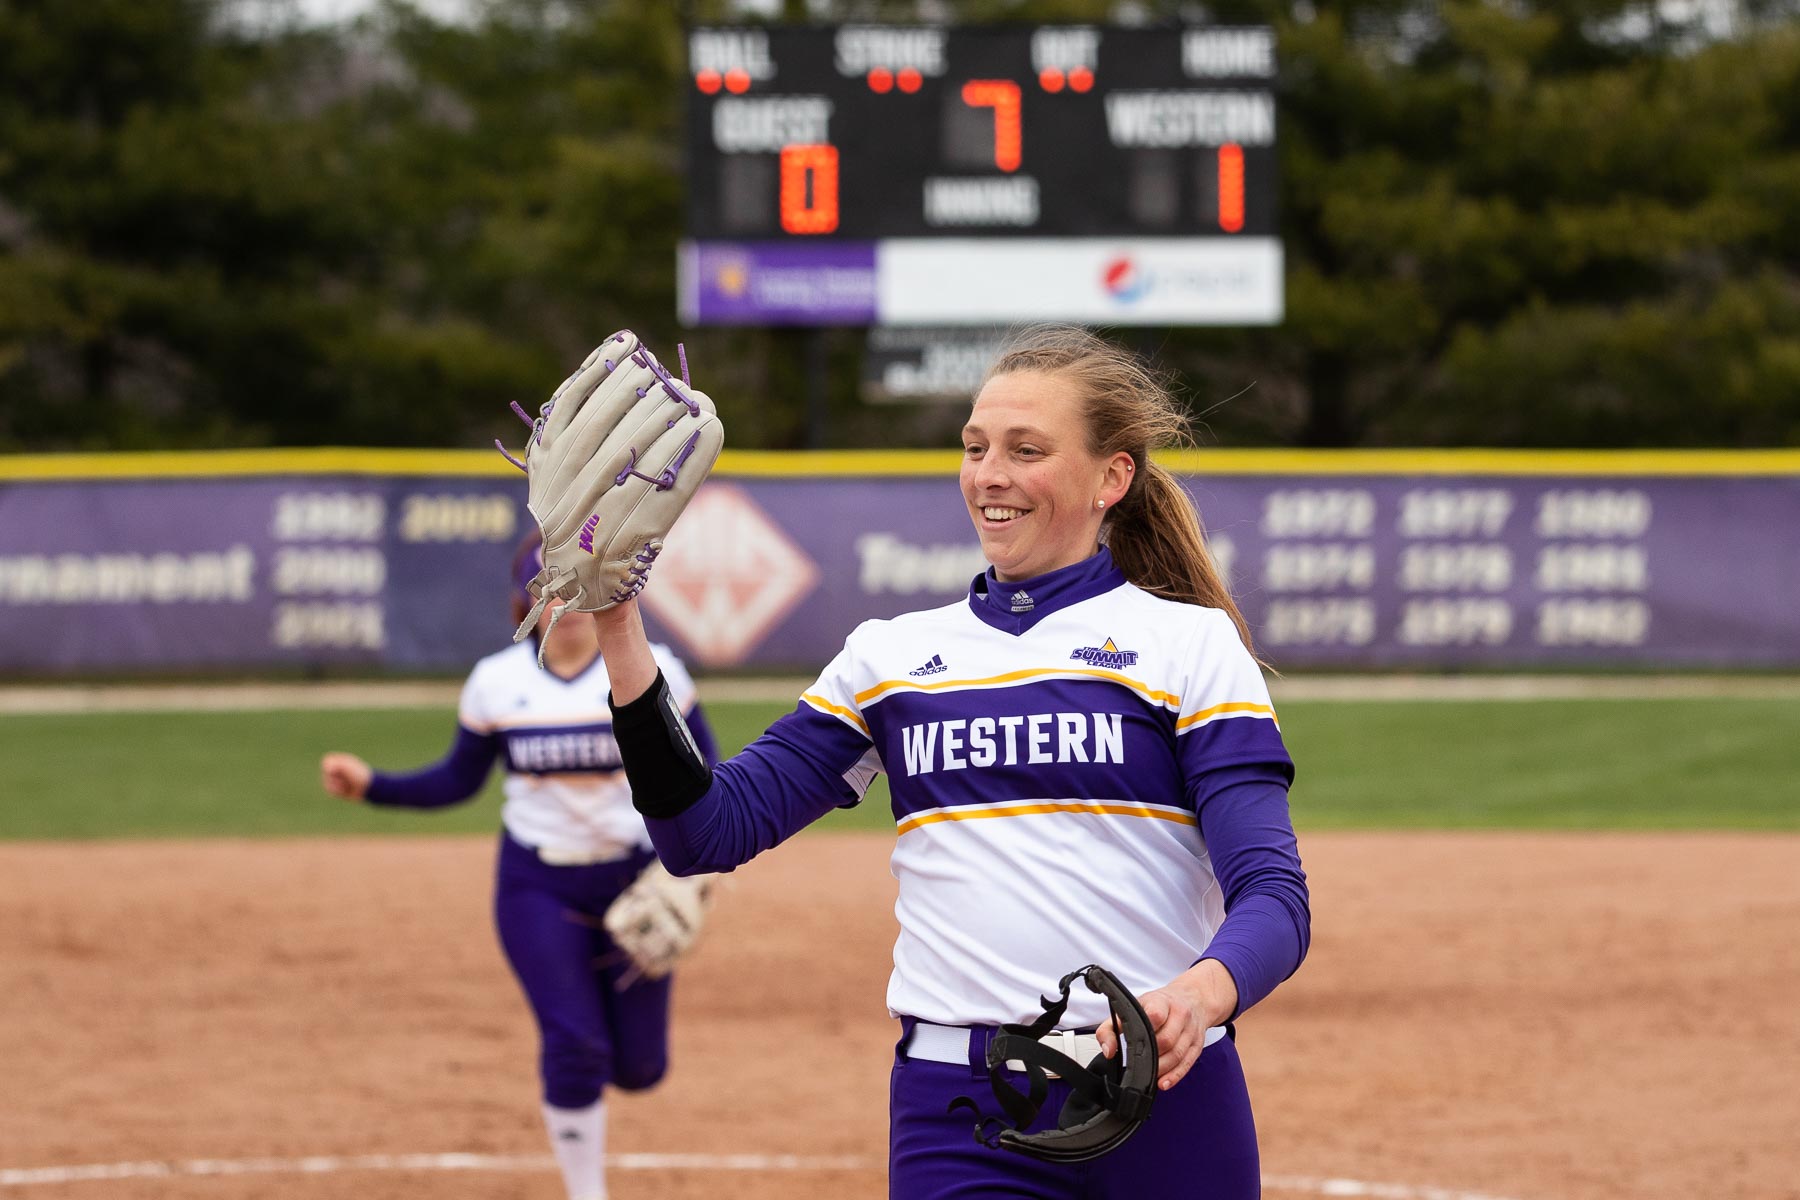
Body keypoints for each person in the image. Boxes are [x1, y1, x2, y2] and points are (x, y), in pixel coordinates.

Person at [590, 324, 1310, 1199]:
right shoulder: (889, 657)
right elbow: (705, 832)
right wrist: (618, 627)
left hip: (1163, 1094)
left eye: (1026, 450)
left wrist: (1199, 995)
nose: (989, 475)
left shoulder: (1188, 646)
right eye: (974, 448)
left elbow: (1273, 897)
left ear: (1112, 477)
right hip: (964, 1111)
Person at [318, 531, 718, 1200]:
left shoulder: (657, 674)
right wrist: (372, 785)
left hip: (636, 881)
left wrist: (700, 874)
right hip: (539, 885)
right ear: (523, 603)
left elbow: (705, 780)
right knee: (575, 1045)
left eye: (576, 592)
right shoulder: (495, 685)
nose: (563, 606)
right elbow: (457, 781)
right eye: (547, 592)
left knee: (640, 1068)